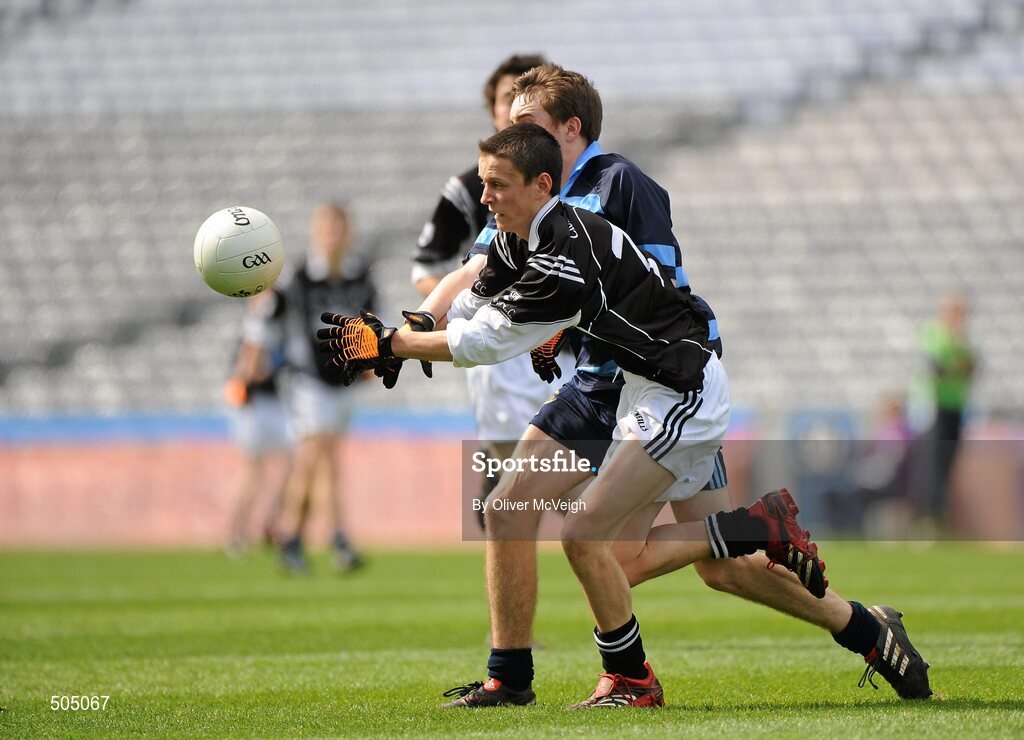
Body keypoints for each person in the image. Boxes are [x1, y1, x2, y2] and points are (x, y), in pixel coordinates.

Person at [404, 65, 929, 707]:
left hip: (663, 380)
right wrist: (427, 317)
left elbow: (658, 289)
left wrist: (546, 325)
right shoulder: (526, 195)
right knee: (512, 506)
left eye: (526, 122)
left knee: (710, 567)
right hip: (598, 387)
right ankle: (510, 676)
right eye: (508, 122)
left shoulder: (621, 183)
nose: (512, 132)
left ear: (570, 129)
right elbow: (482, 267)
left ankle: (859, 627)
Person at [320, 124, 838, 708]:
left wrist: (390, 345)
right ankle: (531, 674)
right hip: (641, 392)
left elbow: (485, 342)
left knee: (584, 536)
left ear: (542, 184)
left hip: (681, 392)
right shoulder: (525, 236)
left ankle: (638, 673)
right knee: (560, 529)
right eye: (483, 182)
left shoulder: (566, 248)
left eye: (497, 185)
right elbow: (476, 296)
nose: (484, 197)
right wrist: (414, 327)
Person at [411, 53, 573, 526]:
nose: (517, 112)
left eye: (530, 105)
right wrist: (442, 314)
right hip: (495, 347)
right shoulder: (470, 187)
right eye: (509, 101)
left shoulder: (584, 182)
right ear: (494, 111)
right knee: (525, 500)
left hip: (558, 353)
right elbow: (443, 267)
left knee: (565, 501)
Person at [243, 202, 374, 573]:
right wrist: (254, 358)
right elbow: (266, 316)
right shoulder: (299, 277)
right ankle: (324, 538)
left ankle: (303, 538)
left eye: (339, 228)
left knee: (321, 460)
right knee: (319, 455)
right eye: (327, 227)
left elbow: (369, 322)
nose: (333, 235)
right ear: (316, 232)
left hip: (343, 382)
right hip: (307, 381)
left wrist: (370, 360)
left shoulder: (359, 275)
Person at [224, 294, 293, 554]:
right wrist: (248, 378)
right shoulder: (257, 322)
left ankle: (271, 522)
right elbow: (249, 366)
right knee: (252, 470)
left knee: (294, 462)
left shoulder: (276, 320)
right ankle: (237, 533)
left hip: (275, 402)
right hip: (253, 402)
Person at [917, 291, 976, 525]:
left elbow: (970, 369)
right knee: (932, 461)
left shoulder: (964, 338)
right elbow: (938, 367)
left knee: (947, 463)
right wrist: (957, 366)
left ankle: (938, 516)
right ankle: (926, 516)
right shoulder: (937, 334)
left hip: (956, 405)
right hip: (935, 406)